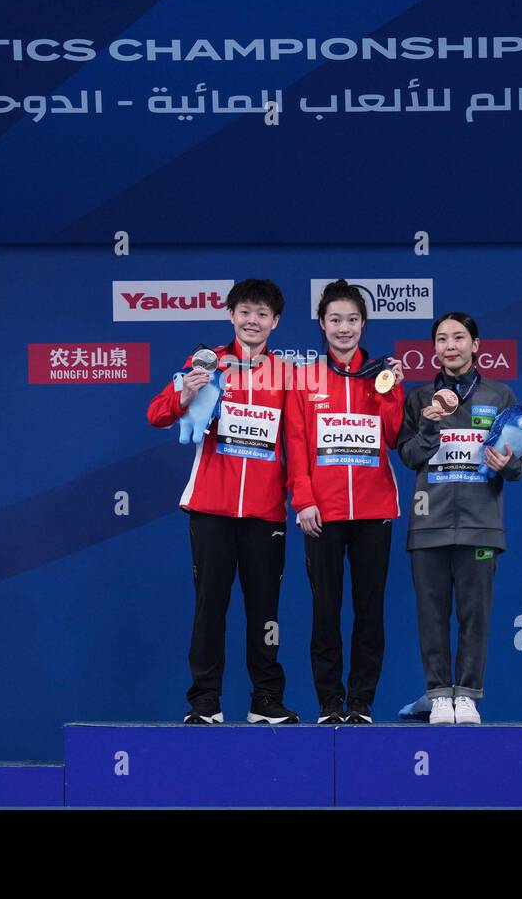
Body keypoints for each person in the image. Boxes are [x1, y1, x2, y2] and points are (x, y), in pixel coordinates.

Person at [146, 279, 299, 725]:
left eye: (262, 314)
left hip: (266, 511)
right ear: (231, 315)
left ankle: (265, 700)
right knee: (209, 608)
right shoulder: (205, 362)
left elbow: (298, 440)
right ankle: (205, 702)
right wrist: (186, 393)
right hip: (211, 507)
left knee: (264, 610)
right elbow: (156, 414)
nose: (253, 321)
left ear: (276, 322)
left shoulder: (287, 375)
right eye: (245, 312)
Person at [396, 312, 522, 725]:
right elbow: (410, 456)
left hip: (480, 525)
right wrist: (430, 430)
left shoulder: (500, 396)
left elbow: (518, 467)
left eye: (458, 338)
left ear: (475, 345)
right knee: (431, 614)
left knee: (475, 613)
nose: (449, 346)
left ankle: (467, 694)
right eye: (441, 339)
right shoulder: (419, 399)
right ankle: (438, 694)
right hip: (428, 525)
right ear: (433, 348)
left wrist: (505, 462)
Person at [284, 280, 405, 725]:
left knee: (369, 612)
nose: (344, 328)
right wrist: (303, 500)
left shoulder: (382, 373)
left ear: (363, 324)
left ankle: (361, 703)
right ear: (321, 323)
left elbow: (394, 436)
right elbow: (296, 444)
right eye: (335, 319)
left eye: (352, 320)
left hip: (375, 510)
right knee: (326, 611)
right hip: (323, 513)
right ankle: (330, 703)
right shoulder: (304, 378)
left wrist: (388, 392)